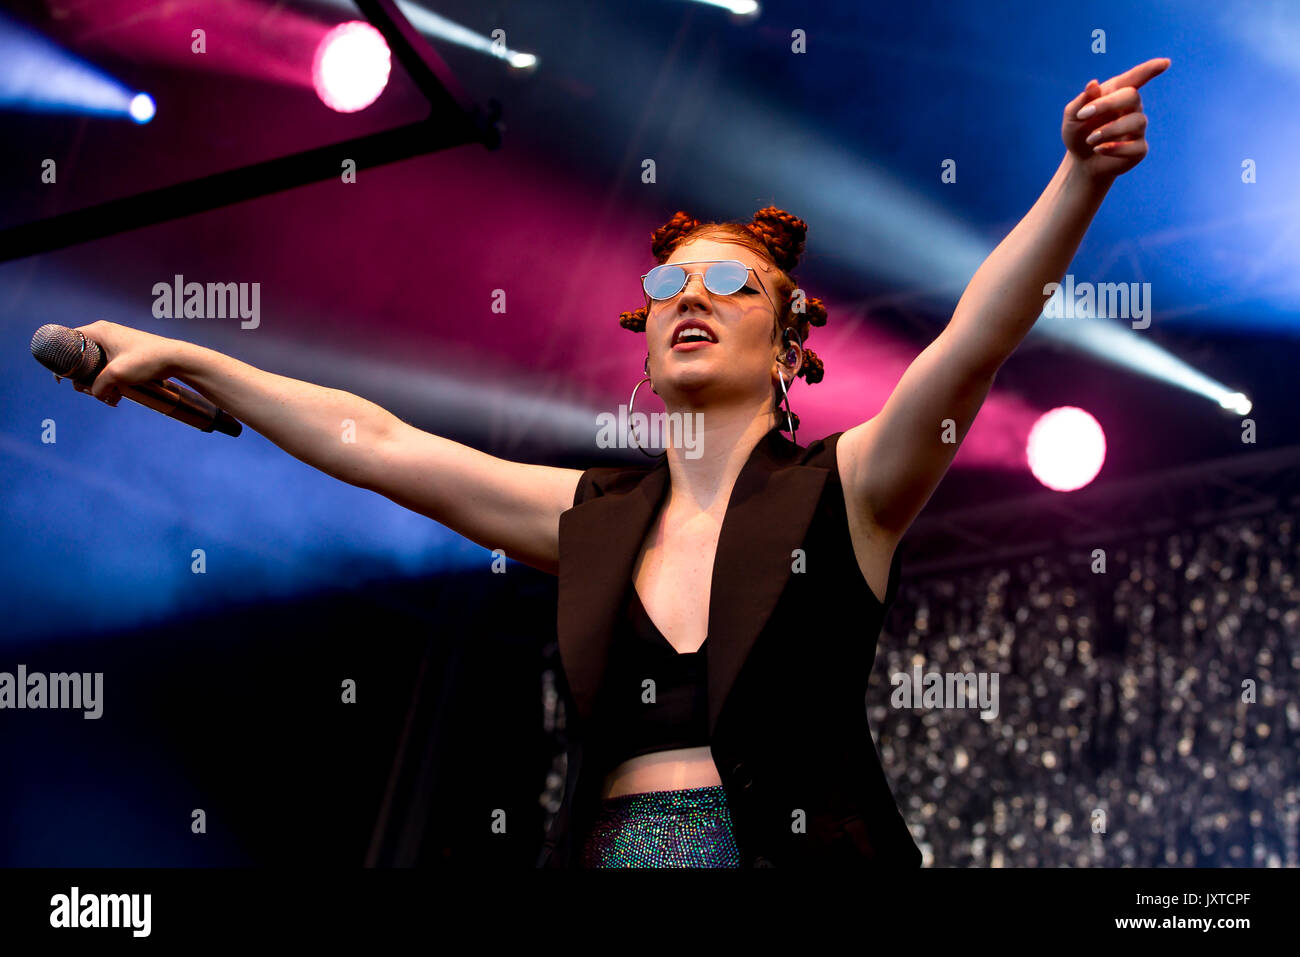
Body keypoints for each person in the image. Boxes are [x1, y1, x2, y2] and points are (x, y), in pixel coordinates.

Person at [70, 57, 1169, 867]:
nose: (689, 296)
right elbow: (382, 444)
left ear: (791, 347)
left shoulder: (850, 489)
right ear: (641, 344)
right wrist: (191, 353)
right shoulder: (590, 513)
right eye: (665, 288)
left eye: (731, 284)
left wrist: (1077, 179)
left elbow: (975, 335)